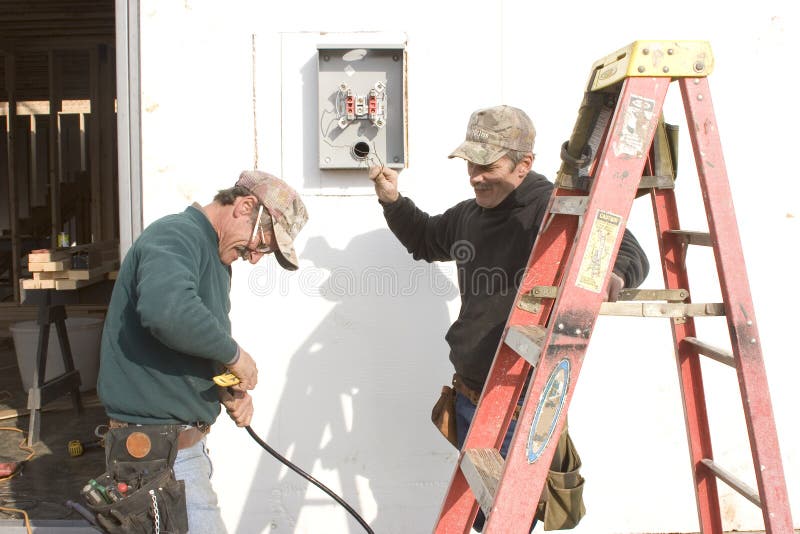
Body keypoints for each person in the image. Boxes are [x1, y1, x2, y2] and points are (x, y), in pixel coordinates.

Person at [369, 105, 649, 530]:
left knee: (508, 519)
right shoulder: (469, 215)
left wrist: (611, 274)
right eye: (471, 164)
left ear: (524, 164)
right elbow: (425, 238)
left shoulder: (555, 209)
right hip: (470, 395)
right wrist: (392, 199)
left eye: (488, 166)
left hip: (521, 401)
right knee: (487, 517)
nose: (475, 176)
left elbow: (627, 249)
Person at [96, 170, 308, 533]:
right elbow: (167, 312)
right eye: (262, 243)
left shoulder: (215, 257)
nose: (255, 258)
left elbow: (190, 343)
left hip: (177, 451)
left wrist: (226, 388)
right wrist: (235, 355)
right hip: (154, 456)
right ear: (245, 207)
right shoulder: (176, 235)